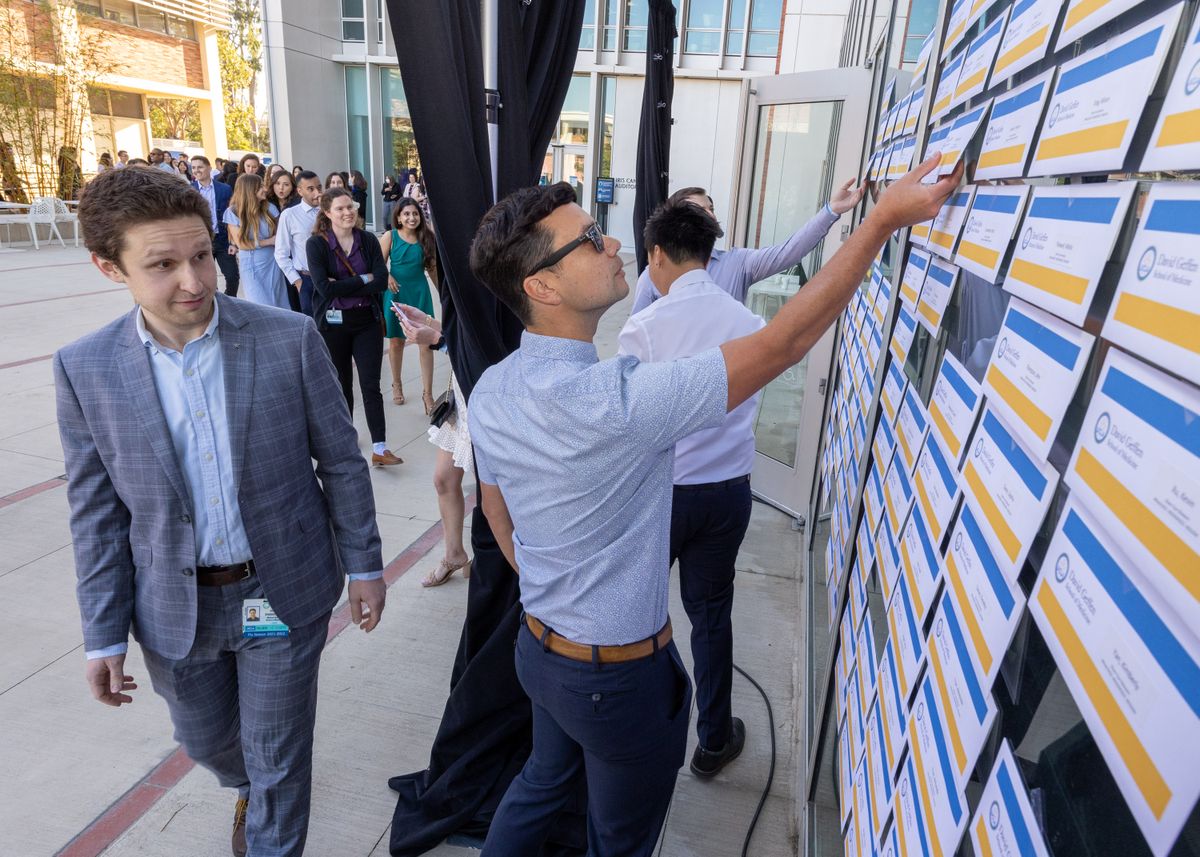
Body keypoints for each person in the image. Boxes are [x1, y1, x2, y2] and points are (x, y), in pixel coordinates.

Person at [465, 157, 958, 856]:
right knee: (622, 839)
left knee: (543, 781)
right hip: (614, 678)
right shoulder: (618, 403)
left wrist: (554, 588)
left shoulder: (493, 388)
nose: (614, 245)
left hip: (539, 648)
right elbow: (783, 341)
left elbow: (494, 512)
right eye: (590, 240)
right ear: (541, 284)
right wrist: (878, 220)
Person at [54, 165, 387, 857]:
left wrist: (365, 564)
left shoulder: (285, 338)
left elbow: (343, 461)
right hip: (176, 607)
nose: (196, 281)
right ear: (109, 267)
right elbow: (96, 514)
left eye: (203, 254)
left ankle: (268, 814)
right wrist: (103, 634)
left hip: (277, 592)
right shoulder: (83, 368)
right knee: (207, 739)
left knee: (279, 752)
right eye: (164, 265)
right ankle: (247, 783)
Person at [617, 200, 762, 781]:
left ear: (656, 254)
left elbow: (627, 426)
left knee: (638, 617)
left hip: (663, 495)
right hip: (728, 494)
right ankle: (714, 739)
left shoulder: (646, 327)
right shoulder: (749, 323)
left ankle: (634, 738)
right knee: (712, 616)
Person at [627, 178, 866, 316]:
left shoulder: (738, 263)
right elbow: (637, 335)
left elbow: (790, 250)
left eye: (711, 208)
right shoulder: (654, 274)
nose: (710, 214)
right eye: (700, 210)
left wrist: (831, 211)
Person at [306, 187, 403, 467]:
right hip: (333, 325)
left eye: (350, 206)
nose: (348, 212)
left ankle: (380, 448)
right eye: (340, 208)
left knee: (371, 385)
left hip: (366, 322)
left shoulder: (368, 241)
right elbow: (324, 289)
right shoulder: (317, 245)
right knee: (341, 385)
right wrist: (364, 279)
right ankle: (345, 442)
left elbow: (381, 279)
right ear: (327, 213)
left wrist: (346, 285)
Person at [392, 304, 473, 588]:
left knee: (495, 494)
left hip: (482, 392)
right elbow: (466, 331)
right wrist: (427, 322)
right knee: (443, 479)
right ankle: (454, 554)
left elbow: (482, 348)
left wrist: (438, 340)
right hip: (463, 392)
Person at [378, 198, 437, 412]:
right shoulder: (390, 236)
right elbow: (377, 263)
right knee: (396, 342)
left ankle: (428, 394)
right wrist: (387, 276)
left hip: (420, 293)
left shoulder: (426, 238)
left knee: (426, 344)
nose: (411, 217)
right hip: (396, 292)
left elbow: (432, 269)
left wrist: (445, 296)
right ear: (399, 217)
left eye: (415, 214)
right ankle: (397, 383)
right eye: (407, 214)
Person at [224, 173, 289, 310]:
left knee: (279, 303)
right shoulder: (233, 212)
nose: (265, 189)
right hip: (251, 265)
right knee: (260, 305)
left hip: (272, 263)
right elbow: (242, 244)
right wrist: (269, 241)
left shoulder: (269, 208)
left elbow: (280, 235)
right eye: (260, 187)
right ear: (250, 189)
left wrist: (273, 241)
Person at [190, 155, 240, 298]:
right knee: (206, 278)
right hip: (201, 241)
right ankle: (214, 301)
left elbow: (233, 216)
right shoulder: (190, 190)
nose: (196, 170)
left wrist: (233, 242)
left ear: (209, 168)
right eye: (193, 167)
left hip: (223, 239)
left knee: (232, 276)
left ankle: (229, 301)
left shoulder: (224, 189)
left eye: (200, 167)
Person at [275, 170, 323, 316]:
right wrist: (297, 281)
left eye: (319, 188)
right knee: (311, 325)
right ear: (299, 191)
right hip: (307, 279)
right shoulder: (290, 215)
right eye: (311, 189)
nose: (317, 193)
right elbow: (281, 253)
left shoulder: (328, 211)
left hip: (331, 278)